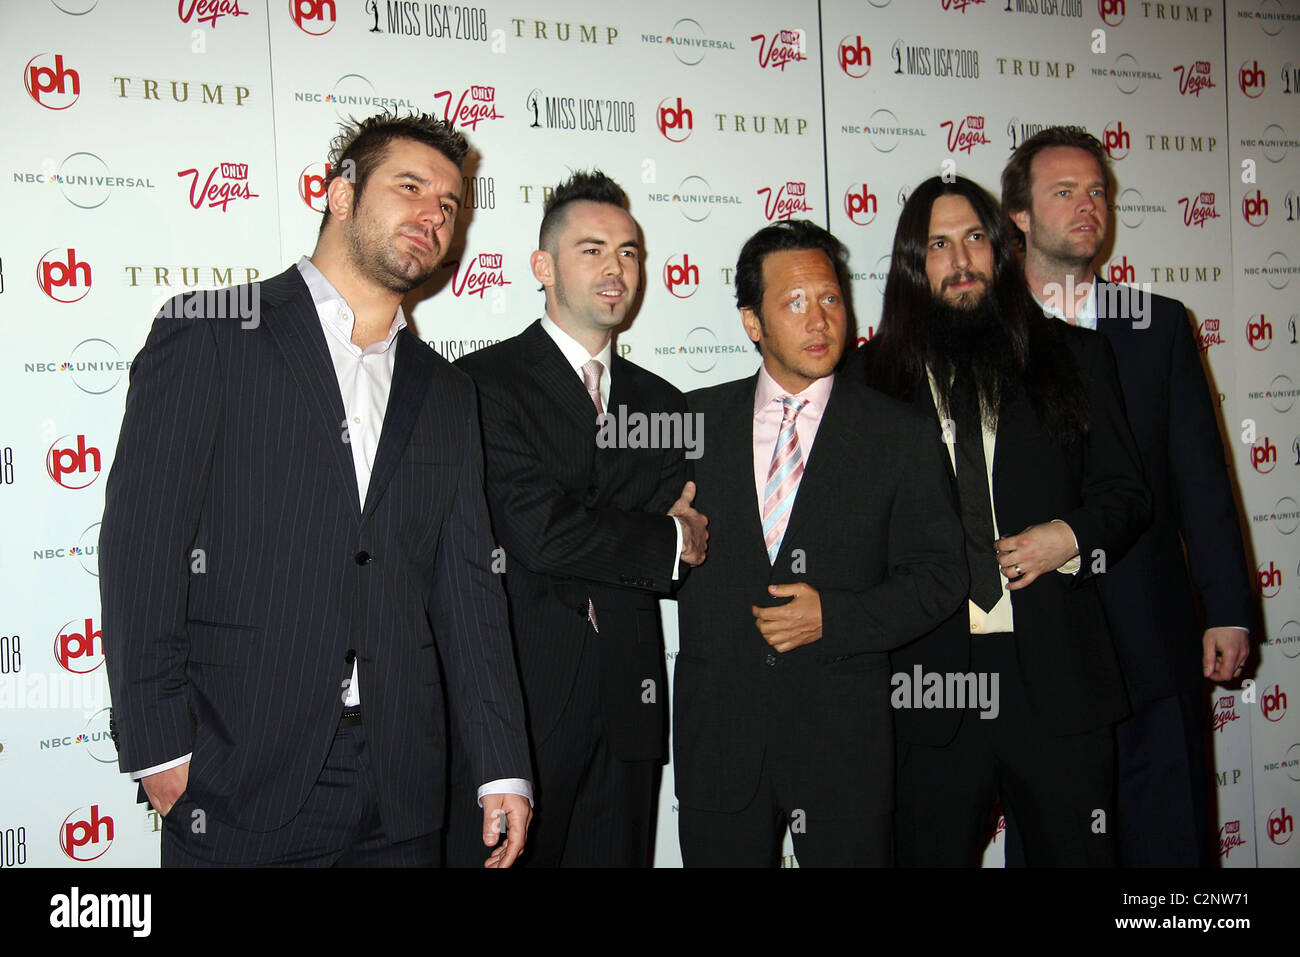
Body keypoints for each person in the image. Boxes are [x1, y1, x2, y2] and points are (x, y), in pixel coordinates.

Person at [100, 112, 532, 867]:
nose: (434, 213)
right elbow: (142, 547)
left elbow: (469, 588)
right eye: (411, 186)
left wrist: (501, 762)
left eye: (452, 204)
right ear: (340, 194)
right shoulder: (210, 333)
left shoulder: (447, 391)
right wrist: (155, 740)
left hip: (402, 784)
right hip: (235, 772)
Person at [851, 175, 1151, 866]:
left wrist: (1067, 538)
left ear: (1001, 251)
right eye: (937, 245)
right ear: (912, 265)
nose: (960, 261)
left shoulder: (1073, 357)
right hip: (926, 690)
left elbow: (1126, 493)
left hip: (1056, 679)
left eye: (975, 239)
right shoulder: (869, 381)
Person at [673, 220, 967, 867]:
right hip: (719, 746)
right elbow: (634, 548)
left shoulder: (899, 433)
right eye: (796, 302)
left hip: (844, 750)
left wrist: (834, 617)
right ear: (752, 322)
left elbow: (943, 576)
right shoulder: (689, 422)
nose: (821, 320)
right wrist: (663, 535)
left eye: (831, 298)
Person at [1003, 127, 1254, 867]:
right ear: (1019, 215)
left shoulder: (1159, 326)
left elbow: (1201, 480)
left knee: (1169, 843)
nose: (1088, 207)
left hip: (1154, 633)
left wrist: (1231, 607)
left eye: (1097, 192)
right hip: (1040, 642)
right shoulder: (983, 335)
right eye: (1063, 192)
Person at [448, 171, 708, 867]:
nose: (617, 268)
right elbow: (537, 530)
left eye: (629, 252)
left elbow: (574, 524)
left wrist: (618, 525)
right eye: (592, 249)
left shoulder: (664, 402)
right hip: (516, 717)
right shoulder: (480, 386)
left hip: (629, 705)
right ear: (544, 265)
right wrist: (662, 536)